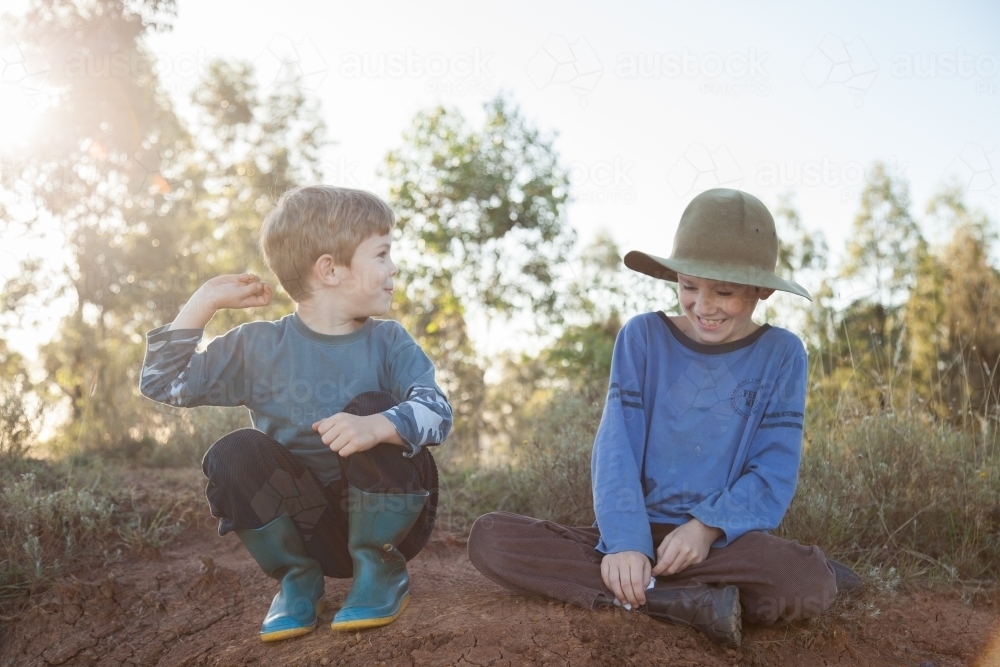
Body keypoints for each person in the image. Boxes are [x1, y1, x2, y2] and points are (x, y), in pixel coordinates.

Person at [467, 188, 858, 648]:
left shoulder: (783, 354)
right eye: (689, 286)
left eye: (725, 292)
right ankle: (683, 601)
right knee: (491, 538)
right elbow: (617, 448)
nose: (703, 306)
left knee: (804, 583)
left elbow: (773, 469)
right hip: (637, 526)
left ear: (762, 289)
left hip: (719, 544)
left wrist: (706, 527)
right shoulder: (642, 337)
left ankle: (653, 594)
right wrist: (626, 543)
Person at [139, 185, 451, 641]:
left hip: (396, 525)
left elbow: (438, 413)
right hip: (311, 530)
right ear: (329, 269)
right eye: (381, 254)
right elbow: (162, 383)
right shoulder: (256, 347)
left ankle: (379, 570)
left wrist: (375, 425)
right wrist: (201, 303)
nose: (393, 268)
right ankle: (298, 579)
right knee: (234, 451)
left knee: (375, 407)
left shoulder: (390, 342)